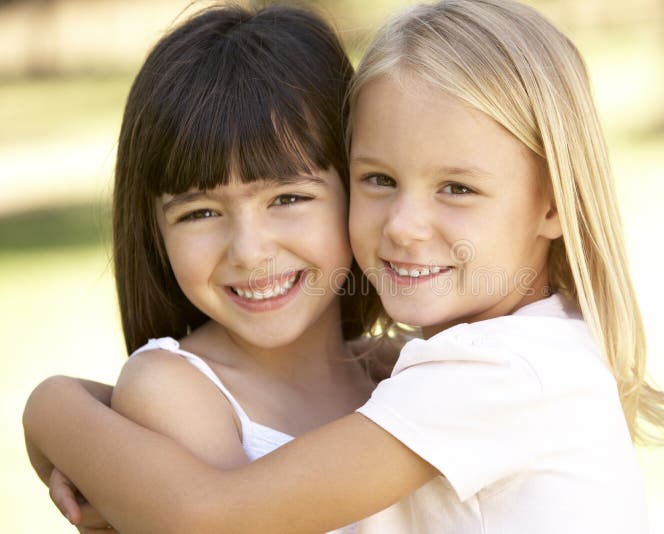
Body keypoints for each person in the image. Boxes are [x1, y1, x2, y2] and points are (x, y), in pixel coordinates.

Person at [25, 1, 664, 532]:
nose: (403, 224)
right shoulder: (448, 364)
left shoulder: (503, 371)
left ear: (553, 206)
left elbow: (208, 517)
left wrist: (48, 409)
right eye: (379, 179)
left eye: (457, 188)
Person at [25, 3, 393, 532]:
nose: (247, 250)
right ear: (154, 229)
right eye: (200, 212)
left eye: (288, 198)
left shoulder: (401, 366)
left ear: (361, 186)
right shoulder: (174, 391)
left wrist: (50, 411)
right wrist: (48, 407)